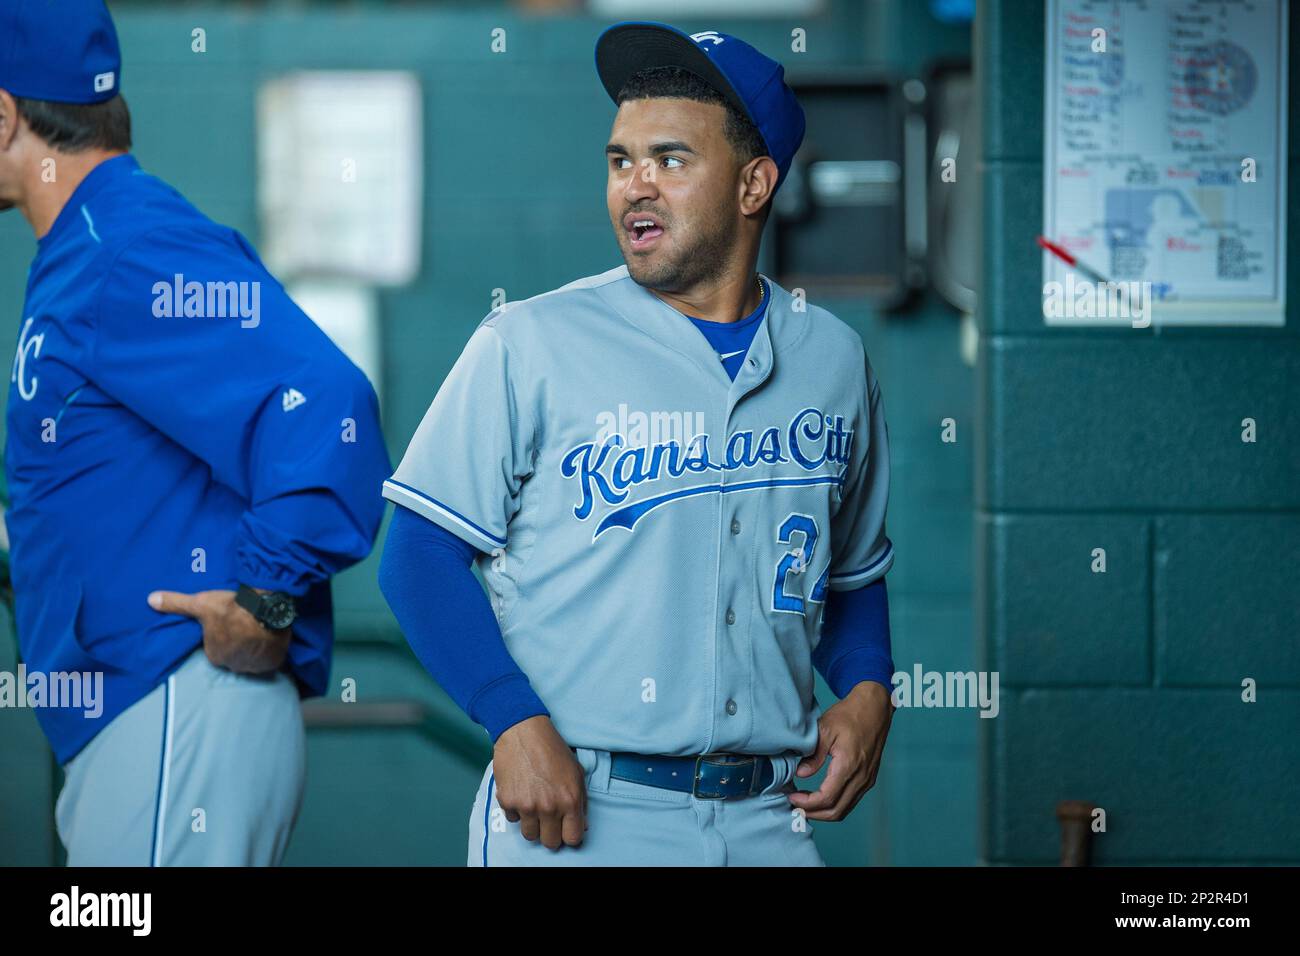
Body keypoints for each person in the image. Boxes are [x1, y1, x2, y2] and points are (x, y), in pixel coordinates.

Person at [379, 21, 895, 866]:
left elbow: (852, 576)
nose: (635, 188)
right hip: (578, 811)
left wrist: (871, 687)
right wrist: (509, 717)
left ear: (754, 184)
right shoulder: (529, 341)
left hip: (771, 815)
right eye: (621, 162)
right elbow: (417, 555)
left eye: (671, 160)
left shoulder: (832, 358)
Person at [0, 0, 391, 865]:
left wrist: (266, 598)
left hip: (178, 707)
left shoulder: (121, 242)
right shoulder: (88, 242)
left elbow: (329, 400)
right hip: (142, 720)